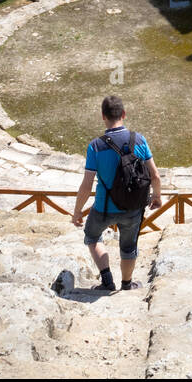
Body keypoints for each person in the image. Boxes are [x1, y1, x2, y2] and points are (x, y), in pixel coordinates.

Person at [72, 95, 162, 292]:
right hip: (133, 207)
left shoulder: (95, 146)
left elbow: (87, 185)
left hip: (104, 207)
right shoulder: (138, 139)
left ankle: (107, 280)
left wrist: (77, 211)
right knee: (129, 248)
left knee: (92, 237)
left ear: (103, 116)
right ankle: (127, 284)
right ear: (123, 114)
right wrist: (157, 197)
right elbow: (155, 175)